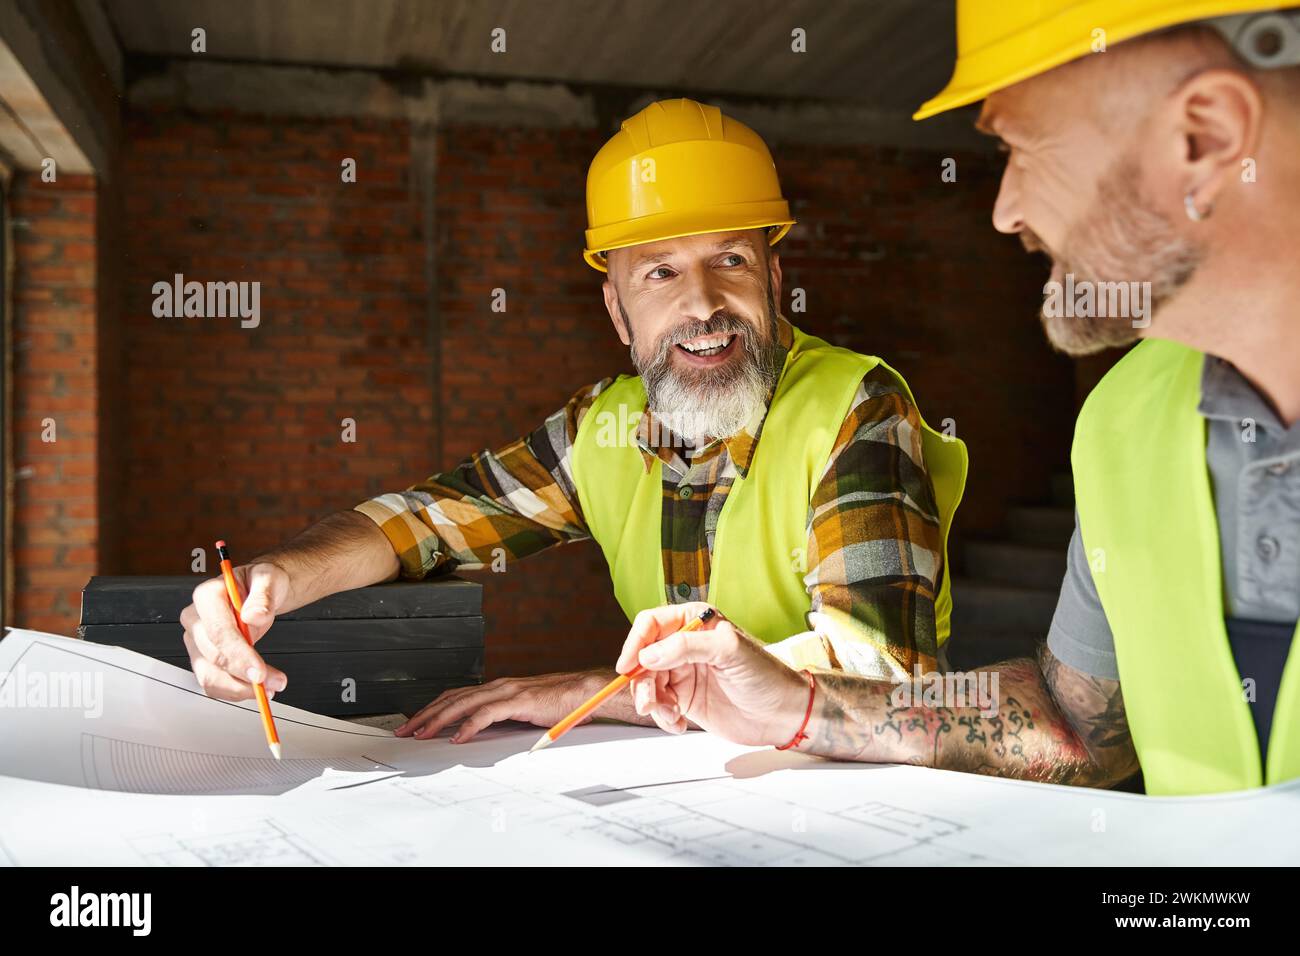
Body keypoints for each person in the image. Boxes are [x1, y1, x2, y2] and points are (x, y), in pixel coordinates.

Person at [619, 4, 1300, 795]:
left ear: (1207, 137)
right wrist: (798, 706)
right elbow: (1076, 722)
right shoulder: (1128, 420)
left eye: (1024, 147)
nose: (1005, 208)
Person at [179, 98, 966, 744]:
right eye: (660, 271)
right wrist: (270, 581)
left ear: (775, 276)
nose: (702, 304)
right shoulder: (606, 427)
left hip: (850, 796)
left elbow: (885, 682)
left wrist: (596, 692)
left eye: (730, 259)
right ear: (616, 308)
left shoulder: (853, 408)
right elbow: (429, 524)